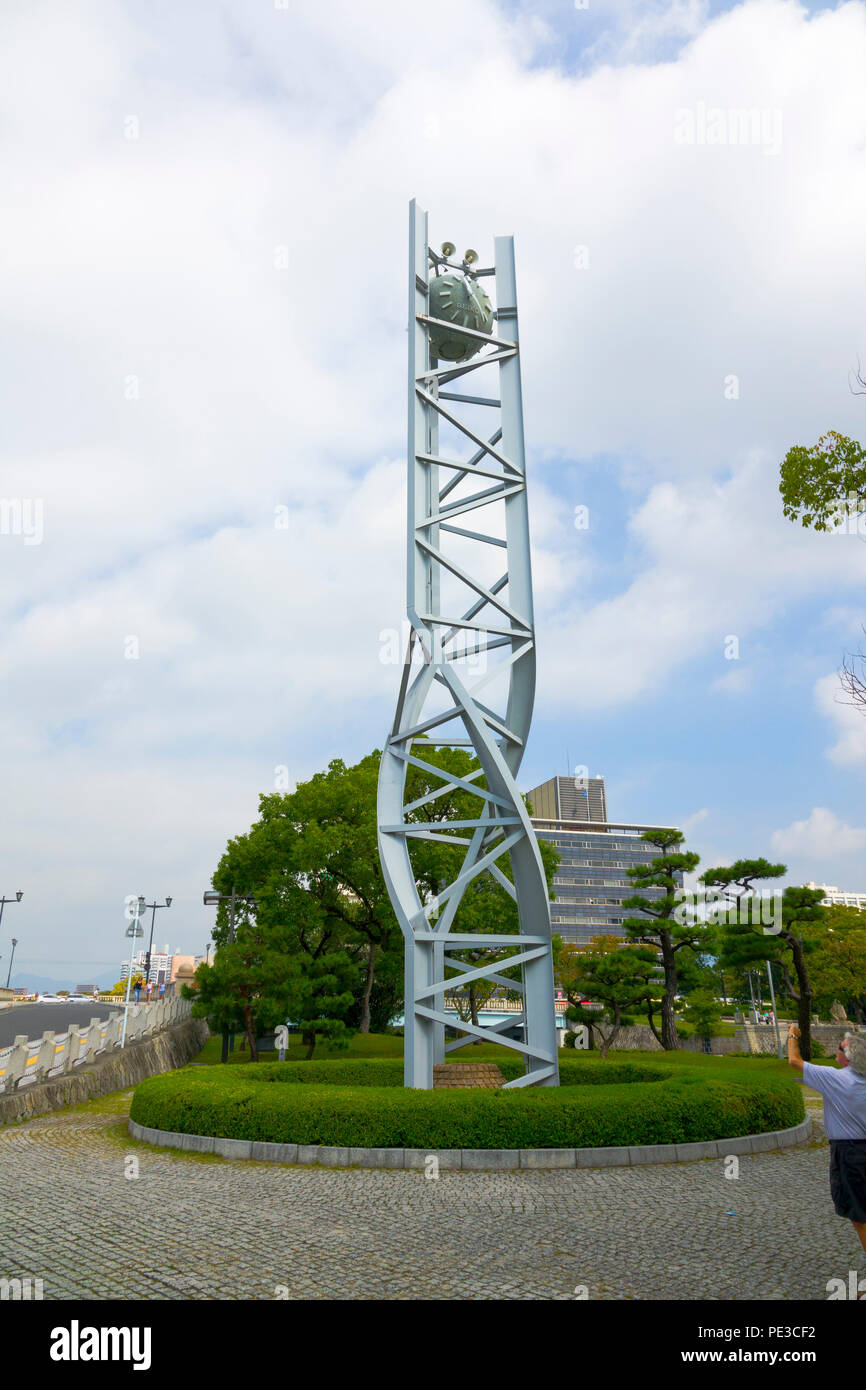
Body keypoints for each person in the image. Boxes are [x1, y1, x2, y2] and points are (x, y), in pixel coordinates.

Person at [788, 1024, 866, 1293]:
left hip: (851, 1153)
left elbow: (794, 1061)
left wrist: (792, 1036)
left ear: (849, 1057)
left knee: (860, 1215)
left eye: (840, 1048)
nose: (836, 1051)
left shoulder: (839, 1079)